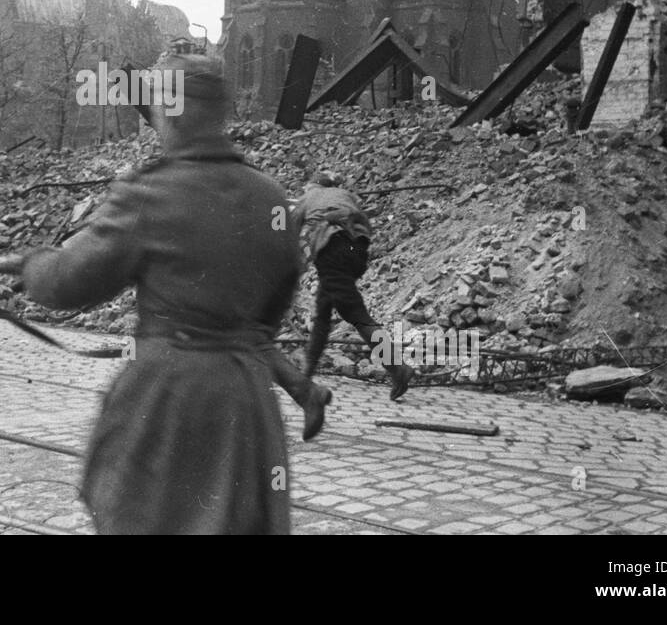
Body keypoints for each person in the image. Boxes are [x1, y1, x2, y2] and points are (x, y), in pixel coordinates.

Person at [22, 54, 303, 534]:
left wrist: (34, 263)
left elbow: (68, 284)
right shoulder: (271, 196)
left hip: (168, 398)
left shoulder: (150, 192)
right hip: (245, 400)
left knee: (151, 519)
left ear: (168, 112)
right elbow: (279, 298)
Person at [294, 171, 414, 401]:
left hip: (332, 249)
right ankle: (305, 376)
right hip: (356, 251)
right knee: (323, 312)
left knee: (357, 315)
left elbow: (283, 228)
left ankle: (398, 368)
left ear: (312, 186)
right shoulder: (345, 195)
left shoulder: (308, 198)